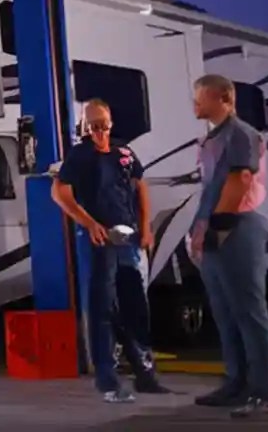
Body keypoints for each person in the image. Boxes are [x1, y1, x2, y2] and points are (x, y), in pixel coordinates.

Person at [52, 99, 171, 403]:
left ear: (111, 123)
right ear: (85, 127)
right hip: (100, 241)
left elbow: (140, 186)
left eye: (103, 125)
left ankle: (146, 374)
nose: (99, 131)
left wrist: (146, 228)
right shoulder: (79, 156)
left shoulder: (125, 153)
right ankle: (107, 380)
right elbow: (60, 192)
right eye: (93, 126)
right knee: (101, 309)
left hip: (130, 239)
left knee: (135, 307)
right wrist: (89, 223)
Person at [188, 74, 268, 418]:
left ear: (224, 98)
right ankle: (236, 383)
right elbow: (210, 190)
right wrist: (199, 232)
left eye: (200, 97)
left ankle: (263, 393)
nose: (194, 103)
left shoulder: (240, 134)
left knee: (250, 313)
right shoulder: (212, 138)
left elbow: (240, 181)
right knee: (226, 314)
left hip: (238, 229)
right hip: (217, 229)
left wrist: (219, 228)